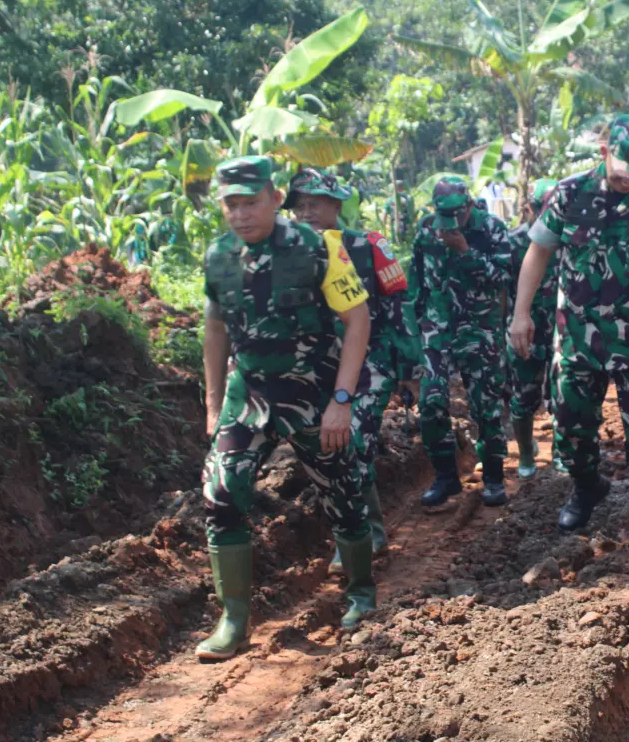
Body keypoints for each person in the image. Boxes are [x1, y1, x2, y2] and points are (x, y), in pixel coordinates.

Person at [198, 156, 377, 661]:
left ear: (275, 199)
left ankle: (361, 595)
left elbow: (358, 321)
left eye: (250, 202)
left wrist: (341, 400)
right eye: (231, 204)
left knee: (343, 491)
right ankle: (234, 619)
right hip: (248, 396)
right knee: (221, 492)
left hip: (313, 393)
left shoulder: (319, 248)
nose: (240, 214)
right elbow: (215, 329)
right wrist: (213, 403)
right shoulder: (218, 256)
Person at [511, 115, 629, 535]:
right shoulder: (570, 194)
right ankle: (586, 488)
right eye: (623, 172)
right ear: (604, 153)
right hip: (578, 338)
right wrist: (521, 313)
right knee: (570, 425)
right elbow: (538, 253)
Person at [284, 168, 420, 567]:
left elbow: (398, 310)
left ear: (336, 205)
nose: (306, 212)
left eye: (315, 204)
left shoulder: (369, 246)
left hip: (369, 364)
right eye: (299, 206)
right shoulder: (284, 253)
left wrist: (409, 369)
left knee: (353, 440)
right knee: (330, 453)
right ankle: (364, 529)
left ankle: (362, 538)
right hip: (316, 369)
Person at [406, 176, 512, 508]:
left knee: (486, 406)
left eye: (458, 215)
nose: (451, 224)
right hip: (436, 328)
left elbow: (504, 277)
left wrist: (465, 251)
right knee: (431, 402)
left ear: (469, 205)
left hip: (479, 329)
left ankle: (493, 477)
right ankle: (445, 477)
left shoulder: (491, 229)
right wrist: (410, 330)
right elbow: (416, 280)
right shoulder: (427, 229)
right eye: (445, 217)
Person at [506, 177, 560, 478]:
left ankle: (563, 451)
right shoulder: (514, 241)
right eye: (541, 209)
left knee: (564, 392)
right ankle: (526, 451)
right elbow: (501, 290)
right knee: (524, 395)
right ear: (529, 207)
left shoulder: (569, 237)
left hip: (562, 328)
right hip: (525, 328)